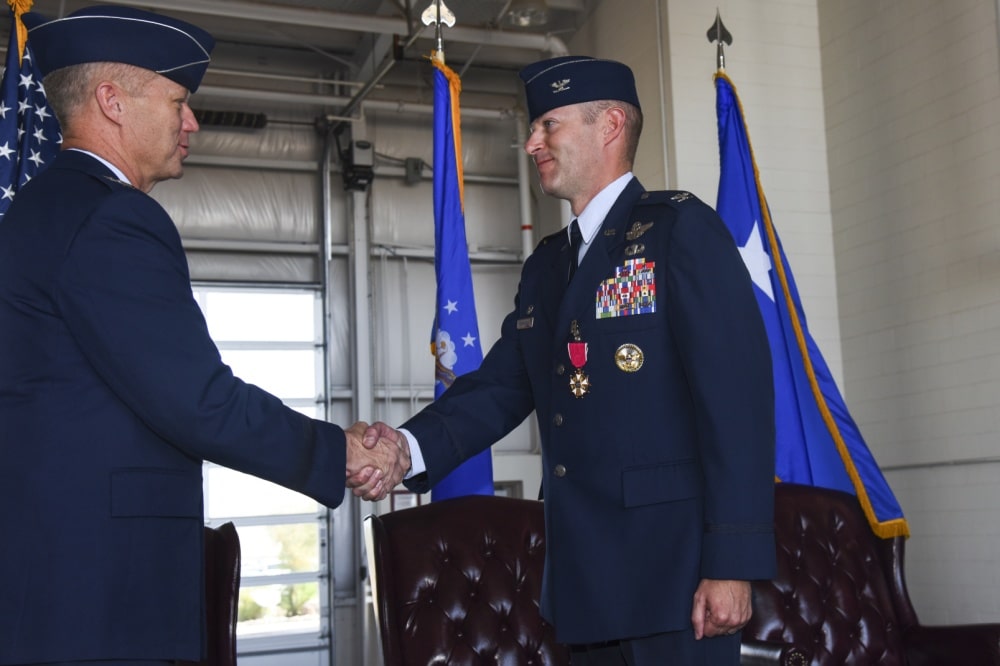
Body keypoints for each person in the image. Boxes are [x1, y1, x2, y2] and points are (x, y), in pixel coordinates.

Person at [0, 6, 407, 665]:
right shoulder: (110, 218)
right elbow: (197, 401)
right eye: (177, 101)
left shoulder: (40, 209)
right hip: (101, 603)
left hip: (54, 590)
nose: (191, 122)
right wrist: (337, 451)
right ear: (112, 102)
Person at [352, 55, 776, 665]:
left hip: (679, 581)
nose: (532, 143)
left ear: (609, 126)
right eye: (535, 128)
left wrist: (732, 564)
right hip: (585, 584)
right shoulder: (548, 265)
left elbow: (737, 406)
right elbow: (501, 386)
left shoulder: (679, 231)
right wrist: (404, 449)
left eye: (548, 124)